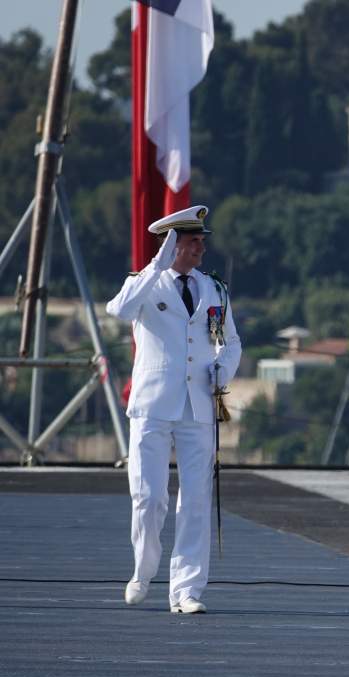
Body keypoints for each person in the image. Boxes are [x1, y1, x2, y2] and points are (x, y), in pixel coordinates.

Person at [107, 205, 241, 614]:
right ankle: (143, 571)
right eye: (193, 241)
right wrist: (153, 267)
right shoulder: (145, 285)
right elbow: (118, 310)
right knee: (149, 498)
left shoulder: (213, 288)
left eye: (201, 240)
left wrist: (223, 369)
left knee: (196, 499)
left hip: (198, 406)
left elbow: (229, 341)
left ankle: (186, 590)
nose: (201, 247)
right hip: (152, 406)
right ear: (173, 244)